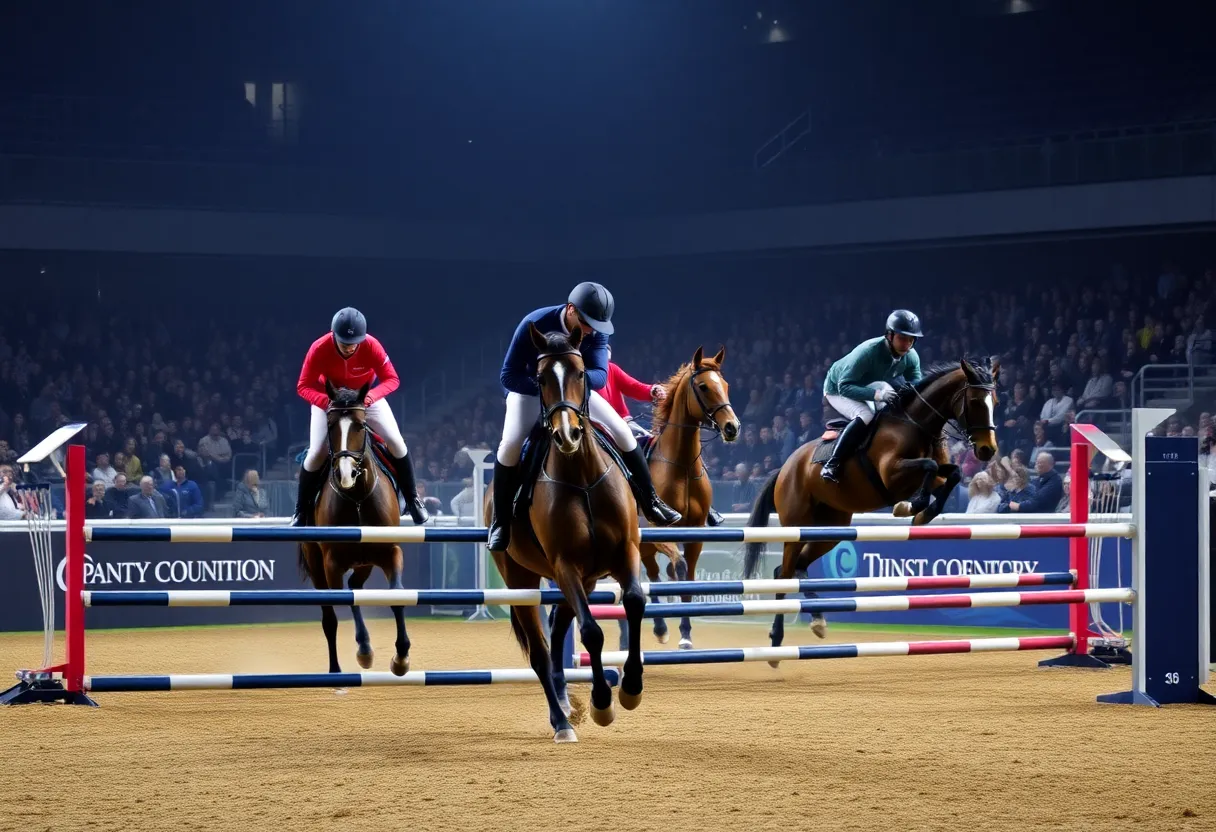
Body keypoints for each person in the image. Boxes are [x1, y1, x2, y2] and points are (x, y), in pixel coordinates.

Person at [487, 282, 681, 552]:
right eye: (587, 323)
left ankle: (651, 502)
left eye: (596, 326)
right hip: (530, 390)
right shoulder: (534, 323)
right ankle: (501, 521)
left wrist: (569, 382)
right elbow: (507, 376)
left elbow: (600, 376)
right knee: (509, 445)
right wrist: (547, 387)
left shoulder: (598, 333)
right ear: (570, 310)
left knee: (623, 432)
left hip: (576, 390)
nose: (591, 331)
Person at [294, 307, 427, 526]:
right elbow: (303, 386)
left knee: (396, 442)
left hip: (363, 399)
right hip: (329, 400)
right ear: (333, 336)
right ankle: (301, 510)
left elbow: (392, 379)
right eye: (344, 344)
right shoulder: (318, 348)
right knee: (317, 452)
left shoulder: (372, 345)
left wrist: (371, 397)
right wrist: (326, 402)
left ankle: (413, 500)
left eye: (354, 343)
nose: (349, 348)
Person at [820, 309, 924, 483]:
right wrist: (877, 395)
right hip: (837, 388)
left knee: (891, 405)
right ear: (889, 336)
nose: (907, 344)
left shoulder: (911, 356)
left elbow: (916, 383)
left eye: (911, 339)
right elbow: (845, 387)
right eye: (902, 338)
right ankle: (832, 463)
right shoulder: (869, 352)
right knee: (866, 415)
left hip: (871, 383)